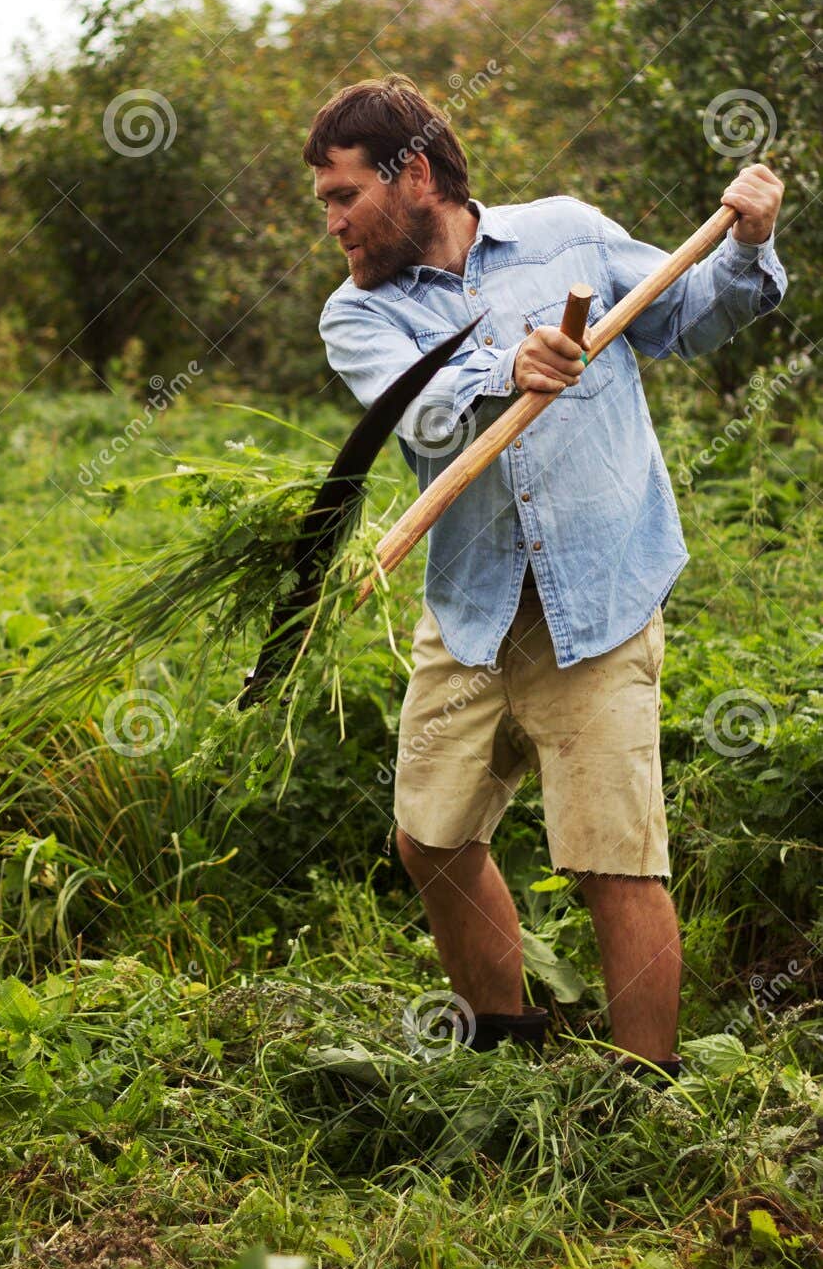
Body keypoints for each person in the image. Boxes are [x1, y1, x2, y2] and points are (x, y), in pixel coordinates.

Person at [305, 73, 786, 1078]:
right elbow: (423, 423)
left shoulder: (567, 235)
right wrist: (503, 373)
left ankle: (638, 1098)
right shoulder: (356, 313)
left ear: (417, 176)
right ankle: (508, 1059)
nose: (335, 226)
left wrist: (743, 242)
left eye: (344, 197)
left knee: (613, 854)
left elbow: (687, 317)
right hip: (472, 608)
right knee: (428, 838)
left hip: (597, 596)